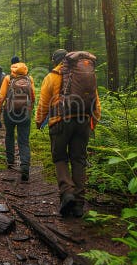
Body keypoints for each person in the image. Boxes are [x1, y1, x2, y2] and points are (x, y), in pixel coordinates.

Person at [35, 49, 101, 218]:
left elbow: (43, 103)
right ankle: (78, 204)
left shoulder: (52, 77)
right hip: (83, 121)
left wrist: (39, 121)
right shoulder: (85, 74)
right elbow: (96, 101)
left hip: (60, 122)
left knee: (60, 158)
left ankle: (67, 192)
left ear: (55, 61)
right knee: (79, 159)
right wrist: (93, 121)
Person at [0, 55, 35, 181]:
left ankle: (10, 161)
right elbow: (33, 95)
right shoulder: (29, 78)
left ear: (12, 66)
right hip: (25, 112)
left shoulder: (8, 78)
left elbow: (1, 96)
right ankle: (25, 166)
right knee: (24, 140)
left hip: (10, 111)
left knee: (9, 135)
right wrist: (30, 108)